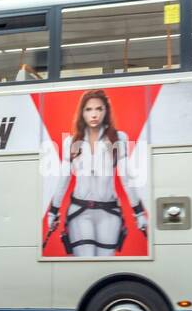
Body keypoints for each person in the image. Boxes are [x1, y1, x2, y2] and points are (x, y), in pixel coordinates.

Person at [46, 89, 148, 257]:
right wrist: (53, 211)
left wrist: (138, 212)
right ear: (82, 113)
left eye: (99, 109)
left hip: (109, 213)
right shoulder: (71, 142)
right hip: (79, 211)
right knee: (85, 265)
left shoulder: (118, 138)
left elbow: (126, 178)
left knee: (104, 267)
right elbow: (63, 180)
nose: (94, 114)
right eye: (89, 109)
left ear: (106, 111)